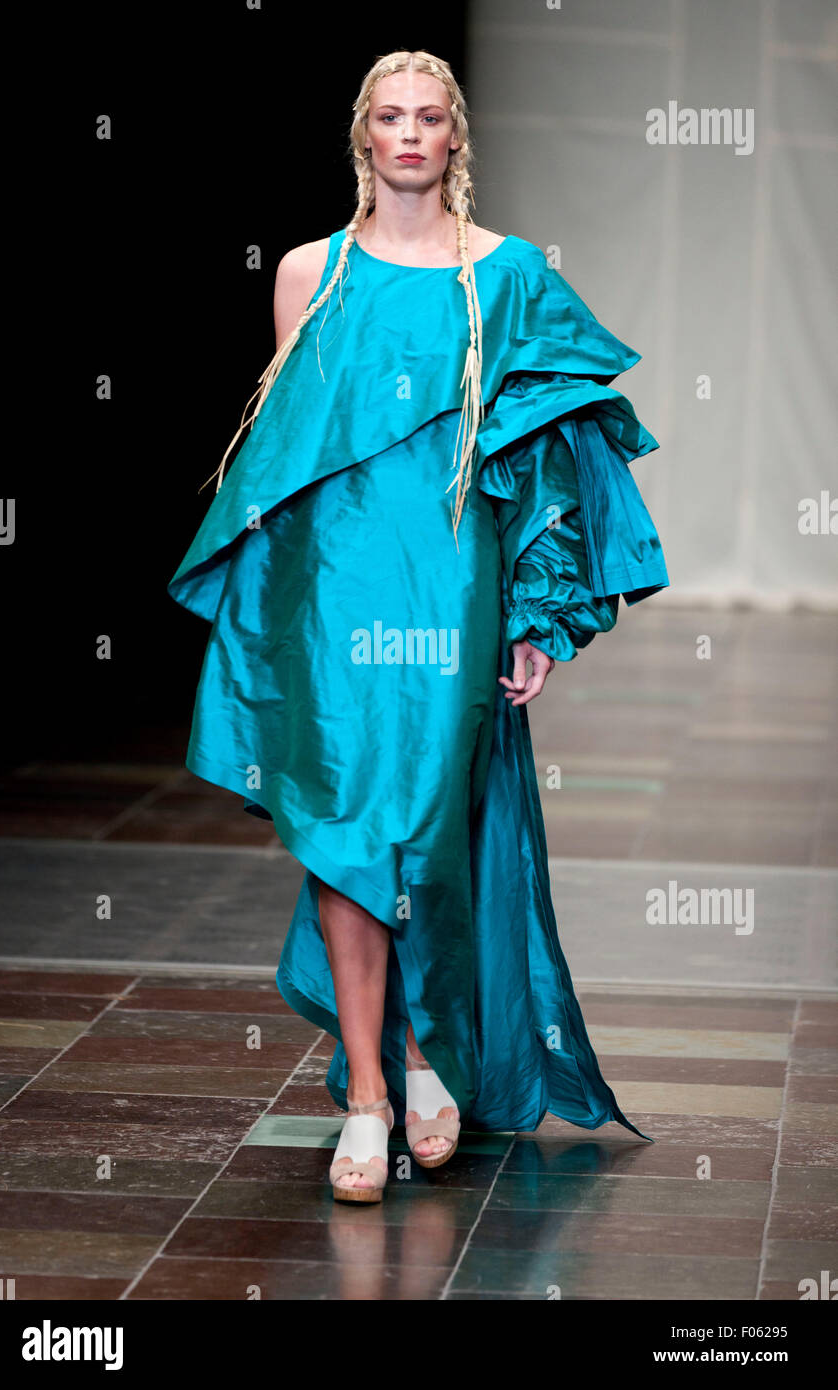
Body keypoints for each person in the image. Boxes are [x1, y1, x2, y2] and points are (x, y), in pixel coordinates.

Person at [168, 50, 670, 1204]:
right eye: (388, 117)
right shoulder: (310, 272)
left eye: (427, 117)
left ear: (455, 138)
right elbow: (283, 462)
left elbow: (555, 445)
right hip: (333, 583)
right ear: (363, 137)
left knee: (435, 817)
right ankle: (368, 1088)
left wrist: (535, 610)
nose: (407, 135)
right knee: (345, 817)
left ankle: (429, 1047)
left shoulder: (507, 278)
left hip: (451, 581)